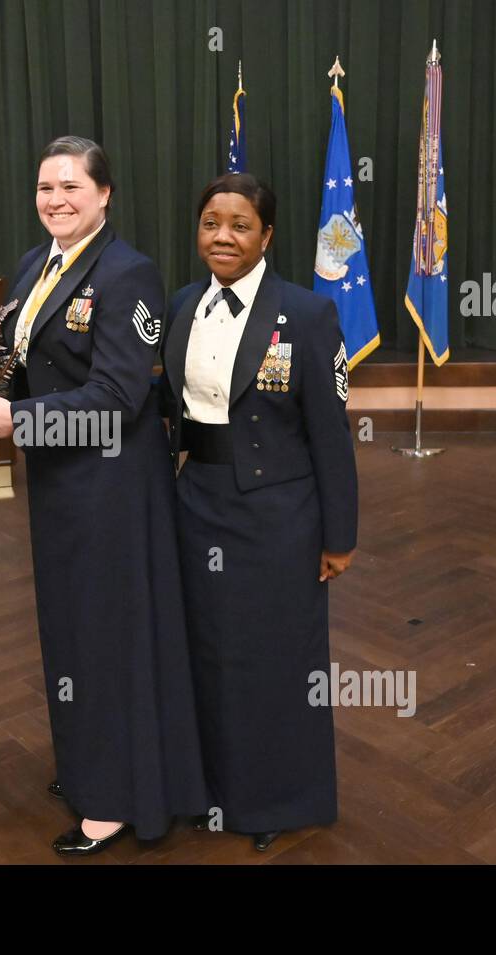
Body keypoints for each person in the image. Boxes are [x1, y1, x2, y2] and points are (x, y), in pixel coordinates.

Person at [0, 136, 207, 855]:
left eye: (71, 186)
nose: (56, 199)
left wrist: (20, 420)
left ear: (105, 195)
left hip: (113, 486)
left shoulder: (130, 273)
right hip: (59, 483)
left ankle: (115, 800)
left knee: (108, 638)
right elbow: (19, 360)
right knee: (72, 631)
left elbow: (120, 395)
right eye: (45, 187)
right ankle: (89, 766)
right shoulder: (35, 263)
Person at [161, 173, 358, 851]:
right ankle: (211, 788)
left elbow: (332, 434)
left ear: (267, 236)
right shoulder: (182, 305)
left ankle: (279, 796)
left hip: (279, 514)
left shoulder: (306, 314)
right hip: (198, 501)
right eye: (211, 221)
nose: (222, 235)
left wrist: (340, 535)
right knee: (209, 653)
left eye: (240, 224)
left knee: (276, 658)